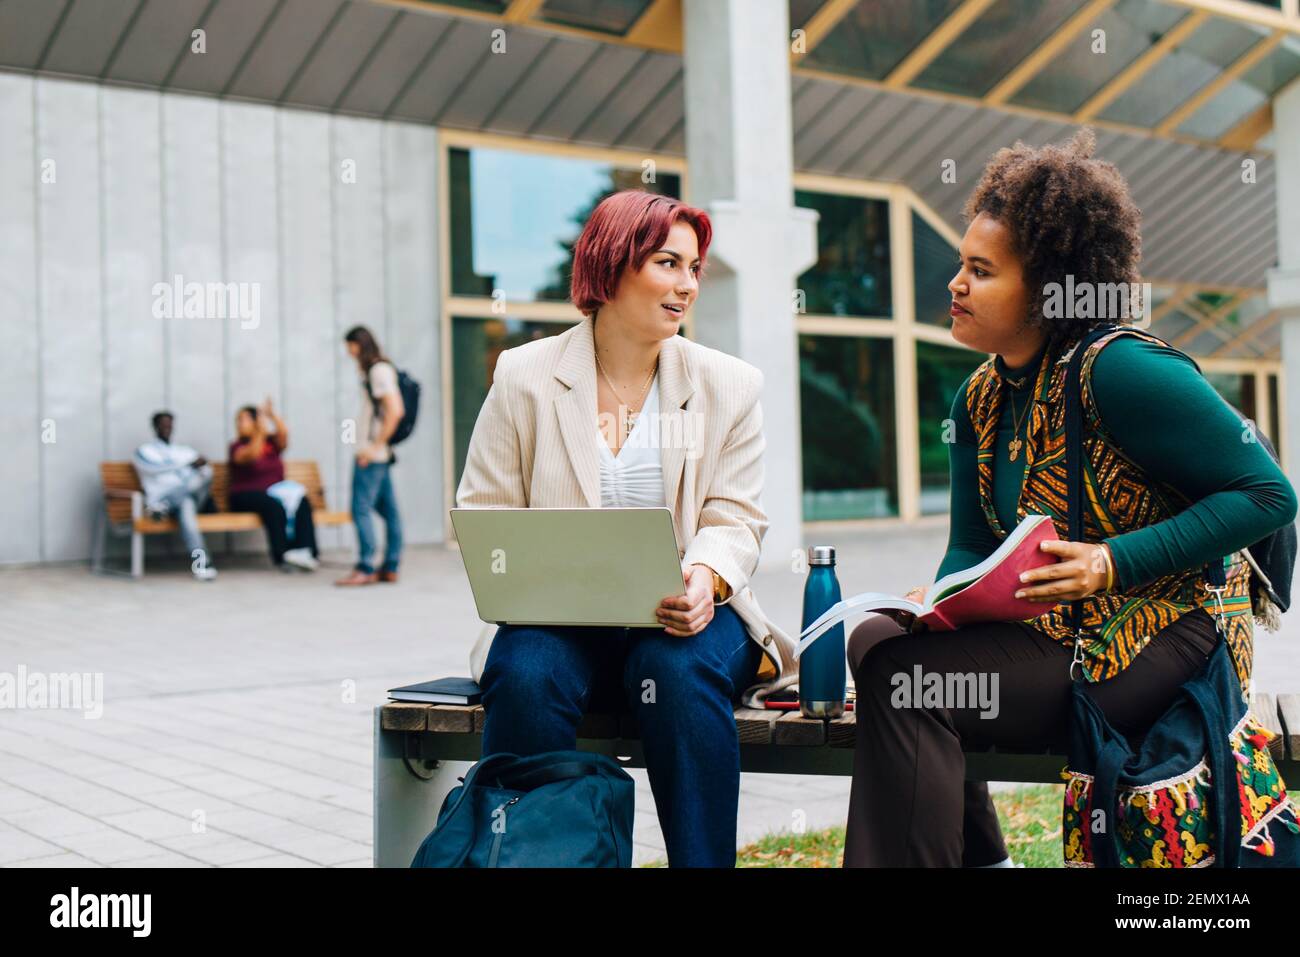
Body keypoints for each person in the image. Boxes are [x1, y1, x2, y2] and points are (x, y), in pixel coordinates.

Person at [842, 129, 1298, 867]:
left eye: (981, 271)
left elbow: (1270, 494)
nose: (955, 284)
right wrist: (943, 600)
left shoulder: (1120, 372)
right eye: (961, 264)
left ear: (1050, 287)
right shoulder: (980, 396)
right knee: (877, 642)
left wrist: (1110, 563)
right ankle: (988, 860)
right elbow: (969, 542)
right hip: (1062, 629)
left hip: (1169, 631)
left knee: (909, 683)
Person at [456, 190, 796, 867]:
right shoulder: (524, 375)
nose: (687, 284)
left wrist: (706, 576)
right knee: (525, 671)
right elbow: (485, 511)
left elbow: (736, 515)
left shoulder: (729, 384)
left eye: (694, 268)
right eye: (669, 263)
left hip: (687, 618)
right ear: (612, 265)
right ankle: (529, 857)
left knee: (674, 666)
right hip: (560, 619)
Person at [335, 326, 404, 586]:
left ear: (359, 344)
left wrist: (373, 447)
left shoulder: (378, 370)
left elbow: (395, 411)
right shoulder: (378, 370)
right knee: (389, 512)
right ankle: (390, 566)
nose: (349, 352)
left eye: (350, 346)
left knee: (360, 509)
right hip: (379, 454)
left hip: (372, 455)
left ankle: (365, 566)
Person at [227, 399, 318, 572]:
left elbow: (284, 434)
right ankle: (282, 556)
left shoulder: (271, 443)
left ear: (255, 422)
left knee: (302, 501)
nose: (239, 424)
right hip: (244, 495)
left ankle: (306, 553)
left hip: (274, 492)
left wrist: (270, 415)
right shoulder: (236, 446)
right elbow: (251, 455)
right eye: (238, 420)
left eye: (244, 419)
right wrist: (260, 432)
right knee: (273, 506)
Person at [133, 411, 217, 581]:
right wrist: (188, 466)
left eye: (169, 424)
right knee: (189, 521)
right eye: (163, 424)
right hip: (168, 498)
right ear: (155, 426)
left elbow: (207, 472)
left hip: (178, 501)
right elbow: (152, 467)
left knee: (198, 482)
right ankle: (202, 565)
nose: (167, 428)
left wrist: (195, 467)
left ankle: (161, 506)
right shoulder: (145, 451)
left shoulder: (184, 450)